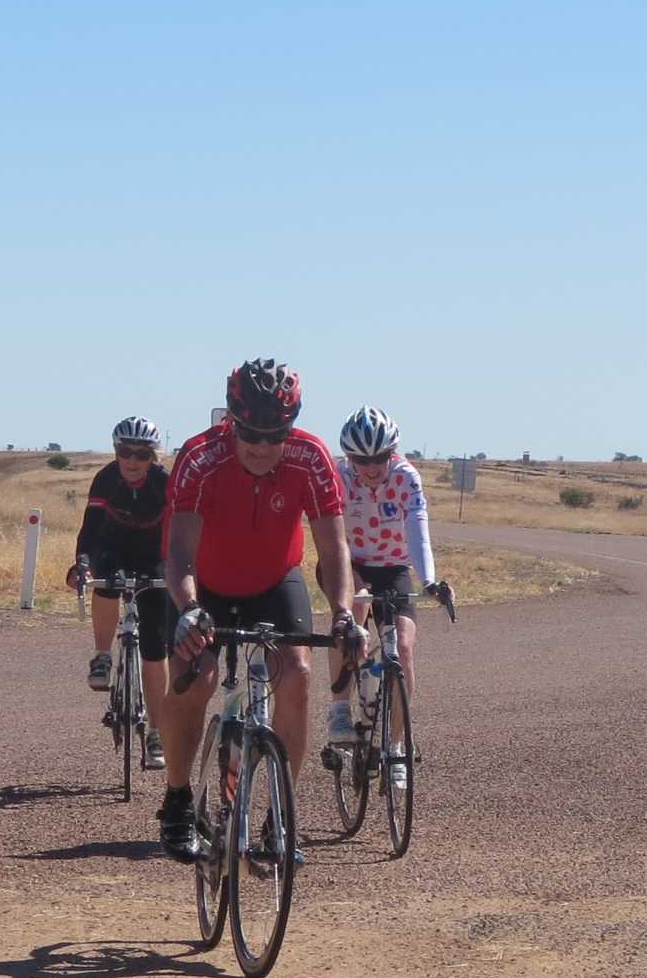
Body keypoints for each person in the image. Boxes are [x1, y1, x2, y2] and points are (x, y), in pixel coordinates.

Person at [161, 359, 366, 859]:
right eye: (250, 432)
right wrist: (189, 609)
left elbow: (333, 548)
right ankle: (178, 798)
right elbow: (178, 551)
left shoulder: (311, 458)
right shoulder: (199, 457)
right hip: (204, 587)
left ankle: (280, 815)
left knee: (297, 673)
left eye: (275, 434)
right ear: (231, 418)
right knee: (199, 676)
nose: (261, 446)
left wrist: (342, 613)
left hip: (276, 580)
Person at [326, 405, 440, 793]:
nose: (371, 467)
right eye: (362, 459)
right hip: (350, 562)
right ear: (350, 457)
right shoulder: (340, 477)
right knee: (352, 614)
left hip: (393, 567)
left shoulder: (406, 477)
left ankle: (396, 748)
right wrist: (350, 577)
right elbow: (332, 535)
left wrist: (430, 580)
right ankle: (340, 710)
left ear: (392, 452)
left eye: (379, 458)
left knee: (403, 649)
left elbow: (417, 529)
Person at [68, 415, 174, 784]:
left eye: (141, 453)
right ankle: (102, 656)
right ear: (116, 452)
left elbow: (179, 534)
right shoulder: (106, 479)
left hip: (153, 555)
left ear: (153, 456)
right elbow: (90, 532)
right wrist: (82, 565)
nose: (131, 460)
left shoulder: (165, 484)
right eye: (124, 452)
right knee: (105, 581)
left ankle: (157, 734)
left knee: (156, 651)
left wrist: (180, 573)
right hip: (113, 548)